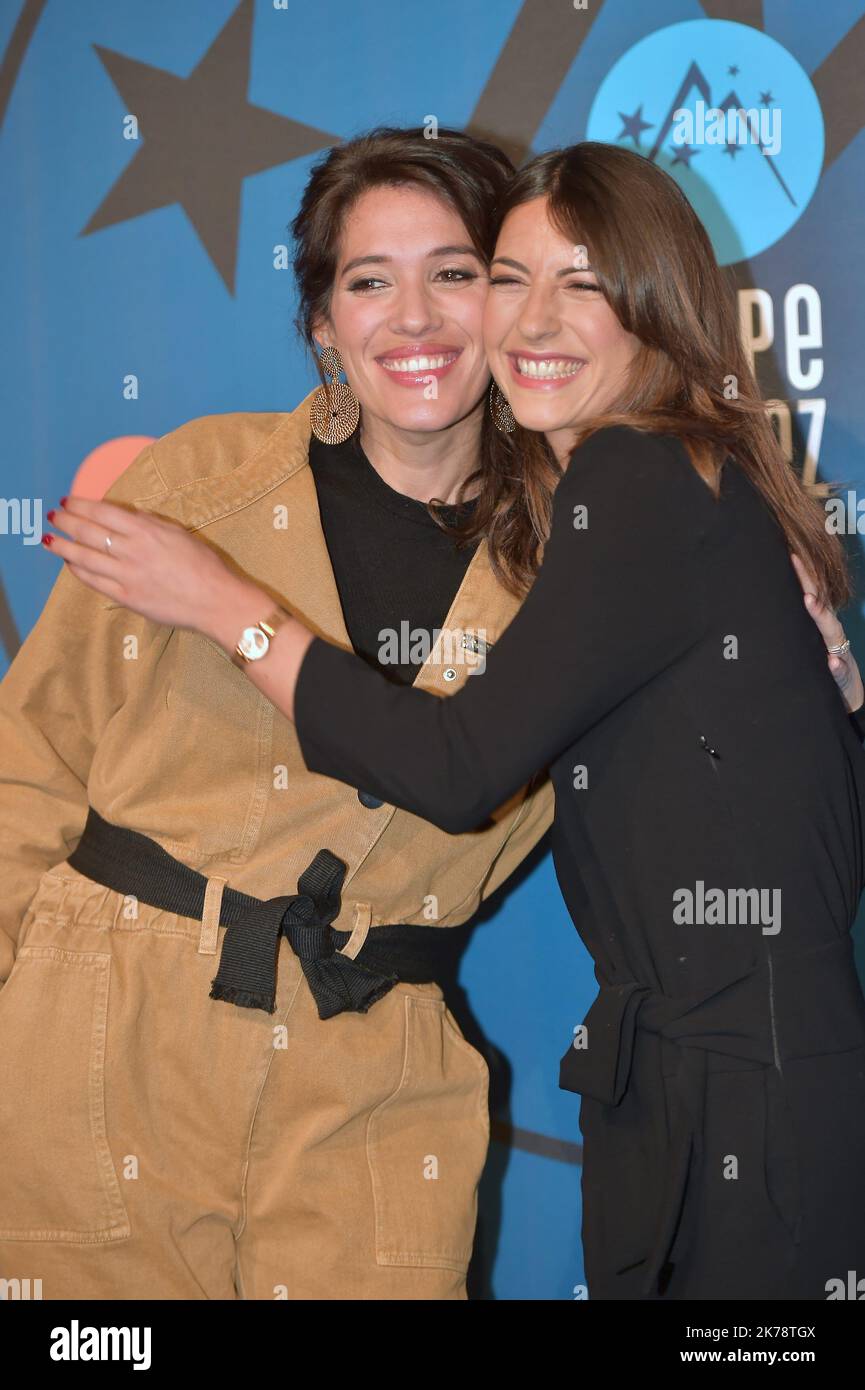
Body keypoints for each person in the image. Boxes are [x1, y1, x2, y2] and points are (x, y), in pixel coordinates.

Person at [49, 141, 865, 1301]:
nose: (531, 320)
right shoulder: (675, 493)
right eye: (512, 277)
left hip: (737, 1097)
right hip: (721, 1084)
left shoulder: (634, 477)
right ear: (321, 319)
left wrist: (226, 607)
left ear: (655, 308)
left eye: (580, 283)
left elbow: (458, 764)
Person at [0, 127, 559, 1302]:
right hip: (107, 1037)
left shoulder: (581, 570)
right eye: (368, 281)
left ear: (511, 302)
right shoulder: (200, 482)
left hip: (374, 1081)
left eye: (453, 272)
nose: (413, 317)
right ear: (321, 324)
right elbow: (30, 762)